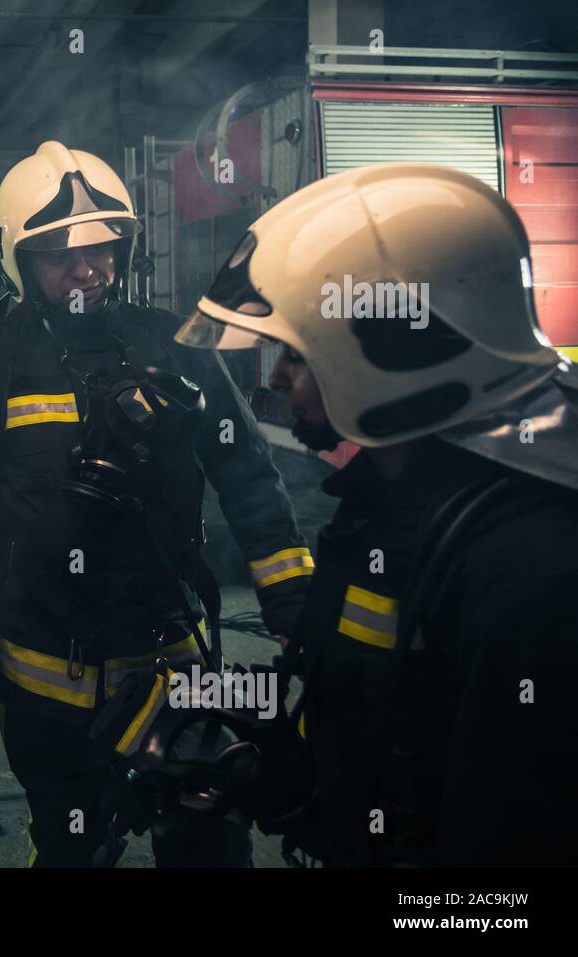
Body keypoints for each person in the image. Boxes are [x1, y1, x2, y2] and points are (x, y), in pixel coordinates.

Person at [174, 161, 578, 866]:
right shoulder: (388, 503)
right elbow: (400, 735)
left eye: (295, 358)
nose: (272, 379)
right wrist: (287, 782)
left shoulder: (524, 563)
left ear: (383, 361)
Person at [0, 140, 313, 867]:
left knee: (208, 847)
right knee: (69, 848)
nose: (86, 269)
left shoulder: (176, 345)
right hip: (45, 685)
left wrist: (295, 610)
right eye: (60, 254)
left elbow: (248, 476)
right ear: (20, 261)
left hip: (175, 666)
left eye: (102, 249)